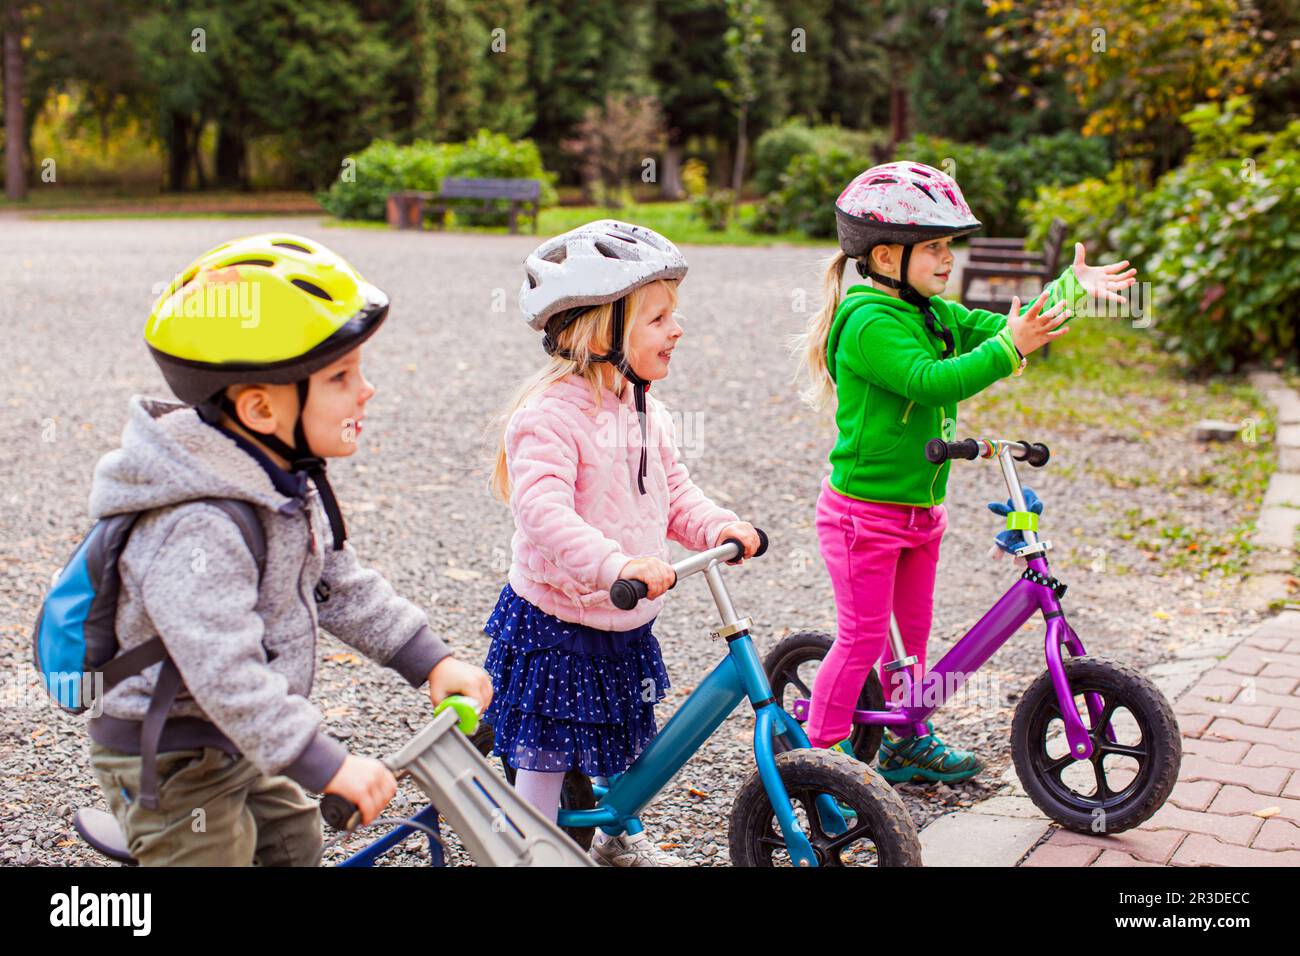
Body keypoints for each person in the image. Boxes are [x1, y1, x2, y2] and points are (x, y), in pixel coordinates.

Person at [86, 233, 492, 865]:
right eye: (340, 376)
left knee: (292, 843)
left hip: (243, 735)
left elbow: (336, 583)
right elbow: (223, 671)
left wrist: (429, 660)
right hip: (173, 751)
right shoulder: (197, 525)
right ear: (259, 407)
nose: (367, 391)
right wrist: (322, 761)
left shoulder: (281, 479)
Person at [795, 162, 1136, 782]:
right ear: (885, 256)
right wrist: (1010, 350)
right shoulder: (870, 322)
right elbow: (933, 382)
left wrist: (1069, 289)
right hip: (862, 516)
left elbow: (1004, 328)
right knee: (864, 639)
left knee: (915, 642)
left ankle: (904, 739)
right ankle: (820, 763)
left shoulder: (930, 311)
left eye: (948, 245)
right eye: (933, 247)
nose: (947, 258)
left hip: (921, 513)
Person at [484, 219, 760, 865]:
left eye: (674, 315)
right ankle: (529, 851)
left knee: (620, 737)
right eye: (659, 318)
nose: (677, 330)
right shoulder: (548, 417)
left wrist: (717, 526)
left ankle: (615, 835)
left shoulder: (645, 409)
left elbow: (675, 493)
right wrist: (614, 563)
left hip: (624, 612)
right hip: (557, 621)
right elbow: (543, 515)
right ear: (598, 331)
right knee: (546, 756)